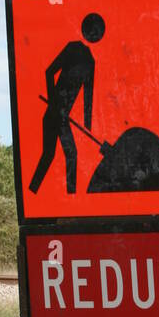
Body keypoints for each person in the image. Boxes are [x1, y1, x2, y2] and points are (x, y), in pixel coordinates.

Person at [29, 12, 105, 194]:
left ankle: (69, 198)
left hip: (63, 118)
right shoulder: (72, 49)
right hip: (53, 114)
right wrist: (53, 102)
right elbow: (49, 72)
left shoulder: (91, 62)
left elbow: (88, 97)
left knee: (69, 155)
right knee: (50, 155)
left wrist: (88, 126)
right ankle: (35, 192)